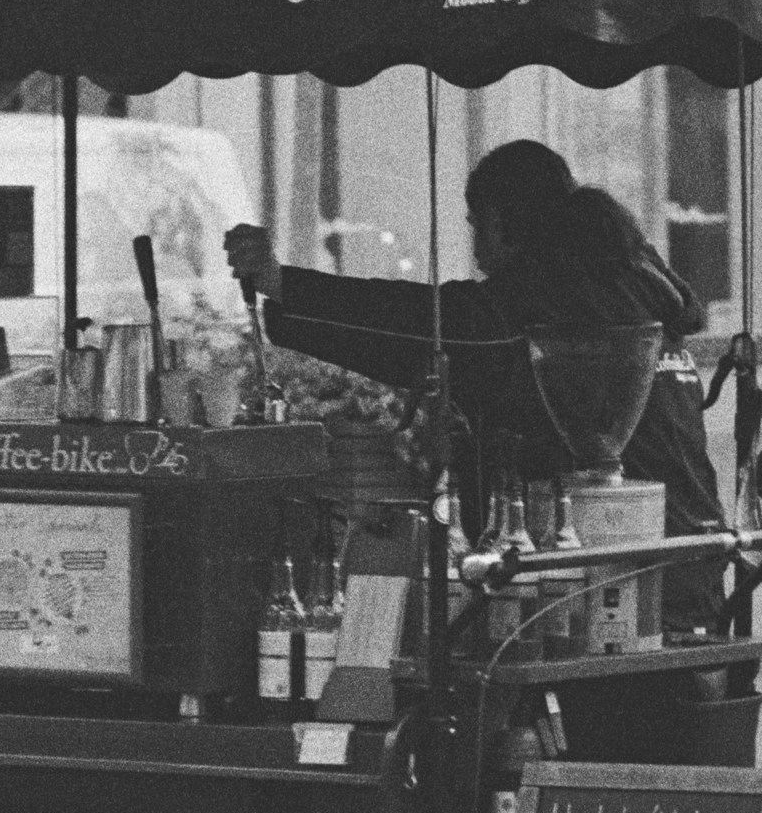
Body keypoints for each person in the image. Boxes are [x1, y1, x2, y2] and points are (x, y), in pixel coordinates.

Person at [225, 141, 724, 547]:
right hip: (698, 559)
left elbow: (407, 321)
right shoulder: (643, 294)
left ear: (502, 224)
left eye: (476, 226)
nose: (476, 246)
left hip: (594, 584)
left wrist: (282, 283)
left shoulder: (525, 314)